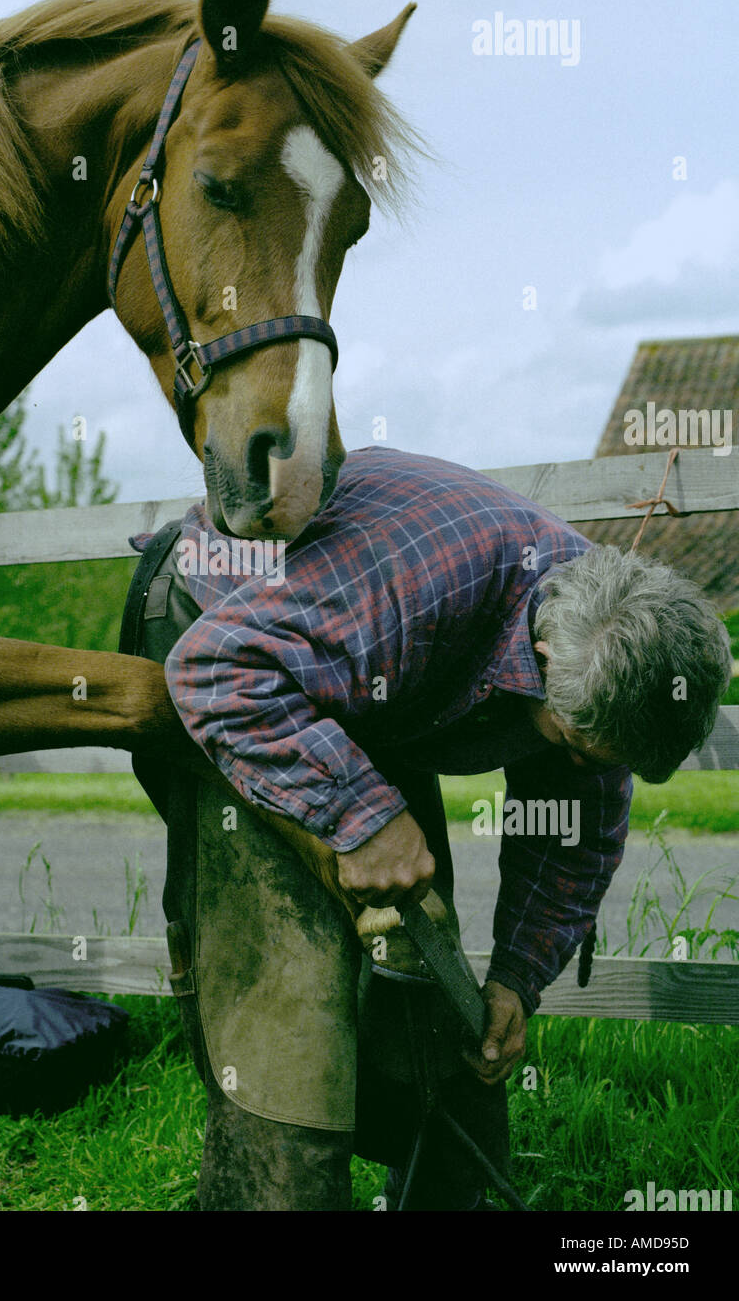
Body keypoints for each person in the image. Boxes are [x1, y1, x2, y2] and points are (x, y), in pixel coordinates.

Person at [123, 445, 732, 1211]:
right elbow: (216, 672)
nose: (585, 767)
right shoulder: (418, 592)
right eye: (575, 747)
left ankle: (441, 1191)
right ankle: (279, 1191)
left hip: (375, 678)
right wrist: (363, 817)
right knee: (293, 981)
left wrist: (516, 978)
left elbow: (574, 826)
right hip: (220, 638)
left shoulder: (607, 644)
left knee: (420, 942)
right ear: (542, 660)